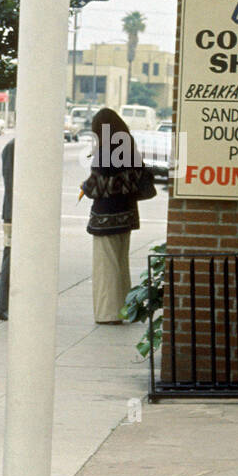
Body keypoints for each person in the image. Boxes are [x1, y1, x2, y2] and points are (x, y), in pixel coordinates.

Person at [79, 108, 145, 324]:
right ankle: (125, 308)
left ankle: (108, 313)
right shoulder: (129, 146)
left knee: (106, 267)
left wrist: (84, 187)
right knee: (120, 264)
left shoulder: (105, 151)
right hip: (126, 215)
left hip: (105, 217)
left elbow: (95, 185)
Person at [0, 138, 14, 320]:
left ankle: (5, 305)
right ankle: (2, 306)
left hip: (16, 212)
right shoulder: (13, 148)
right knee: (9, 258)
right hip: (13, 214)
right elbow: (11, 185)